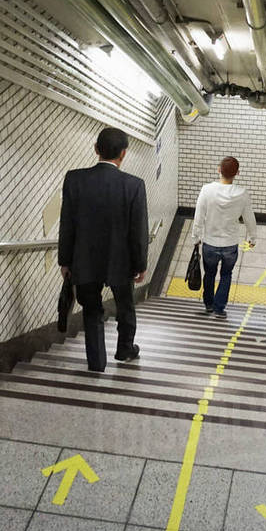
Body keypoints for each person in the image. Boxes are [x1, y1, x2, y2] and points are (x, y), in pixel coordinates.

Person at [58, 127, 148, 371]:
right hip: (121, 261)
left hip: (84, 260)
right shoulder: (134, 185)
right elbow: (138, 231)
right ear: (123, 153)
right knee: (125, 307)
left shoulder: (74, 179)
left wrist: (65, 260)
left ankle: (96, 362)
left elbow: (67, 224)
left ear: (96, 149)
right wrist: (140, 264)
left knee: (91, 310)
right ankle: (125, 349)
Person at [191, 156, 258, 318]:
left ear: (218, 170)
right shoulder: (242, 194)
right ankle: (219, 308)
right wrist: (252, 237)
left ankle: (208, 305)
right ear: (237, 173)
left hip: (210, 243)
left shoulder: (207, 190)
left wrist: (196, 237)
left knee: (209, 274)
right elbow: (249, 218)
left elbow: (199, 216)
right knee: (226, 275)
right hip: (230, 244)